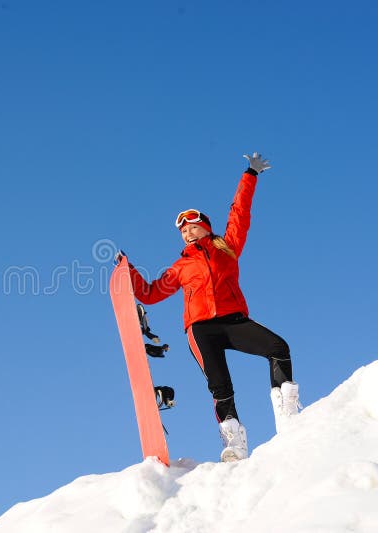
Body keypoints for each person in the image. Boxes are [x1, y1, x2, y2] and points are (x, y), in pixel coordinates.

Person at [120, 153, 300, 462]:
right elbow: (150, 293)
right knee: (220, 384)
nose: (186, 233)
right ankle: (234, 442)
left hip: (234, 321)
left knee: (278, 347)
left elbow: (240, 213)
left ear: (205, 227)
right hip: (201, 328)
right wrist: (129, 270)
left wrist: (250, 175)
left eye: (191, 227)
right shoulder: (181, 267)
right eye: (182, 231)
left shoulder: (227, 247)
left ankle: (287, 414)